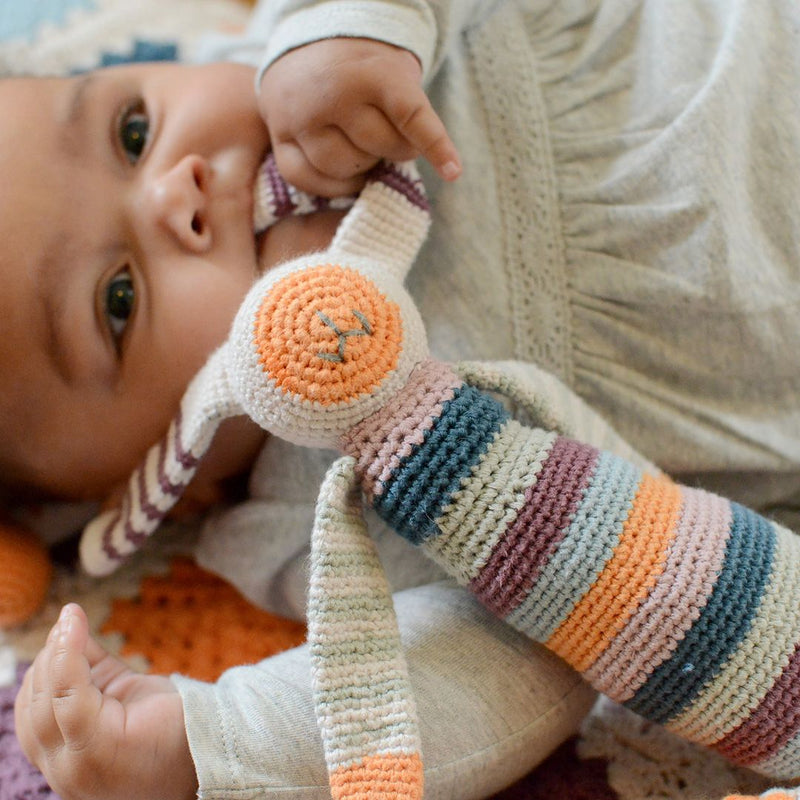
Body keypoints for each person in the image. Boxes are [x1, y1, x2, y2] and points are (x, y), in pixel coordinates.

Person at [8, 0, 800, 797]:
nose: (177, 190)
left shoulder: (317, 66)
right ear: (147, 492)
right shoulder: (312, 516)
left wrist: (345, 33)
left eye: (133, 132)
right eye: (118, 302)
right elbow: (486, 675)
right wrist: (213, 747)